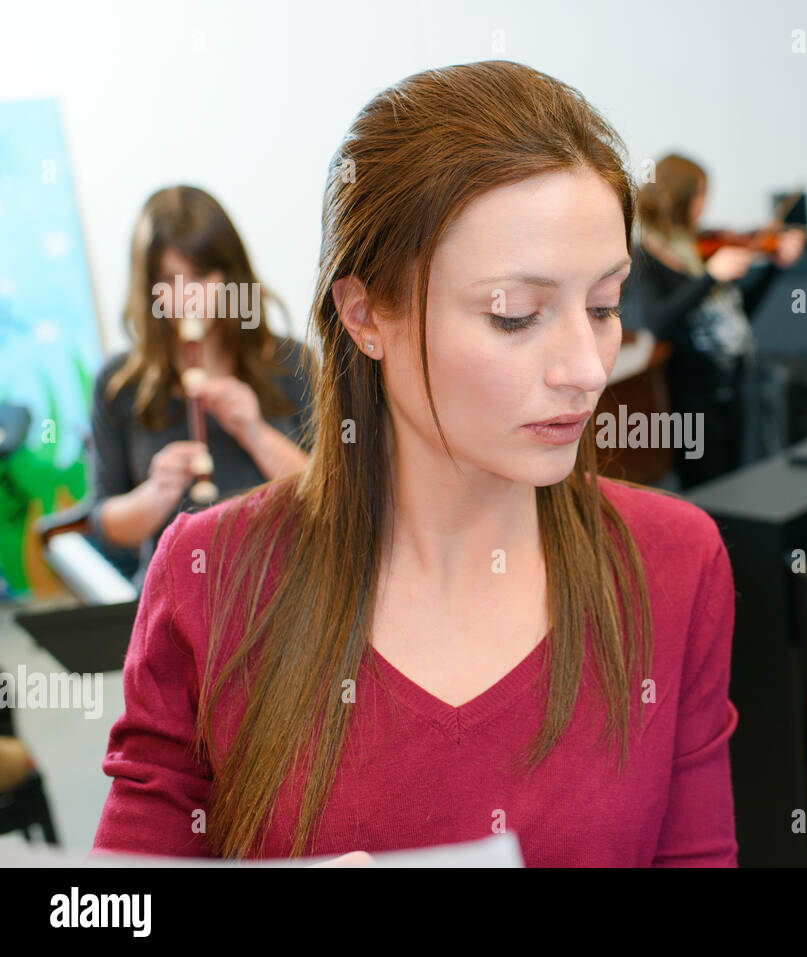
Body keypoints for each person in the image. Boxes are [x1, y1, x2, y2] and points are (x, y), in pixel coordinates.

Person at [93, 61, 739, 866]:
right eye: (516, 315)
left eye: (604, 305)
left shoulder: (674, 562)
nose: (586, 365)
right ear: (367, 314)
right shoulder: (208, 576)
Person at [89, 186, 312, 585]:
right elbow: (105, 525)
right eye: (169, 281)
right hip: (173, 596)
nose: (187, 298)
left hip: (281, 592)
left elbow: (337, 499)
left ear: (230, 276)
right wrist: (154, 496)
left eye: (201, 277)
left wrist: (256, 434)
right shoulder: (119, 384)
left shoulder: (290, 363)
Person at [628, 154, 805, 488]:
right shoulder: (648, 254)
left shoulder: (700, 246)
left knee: (737, 485)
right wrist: (710, 276)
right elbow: (658, 321)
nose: (705, 203)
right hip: (690, 400)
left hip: (733, 387)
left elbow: (739, 313)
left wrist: (773, 268)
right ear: (678, 197)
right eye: (699, 194)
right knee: (708, 490)